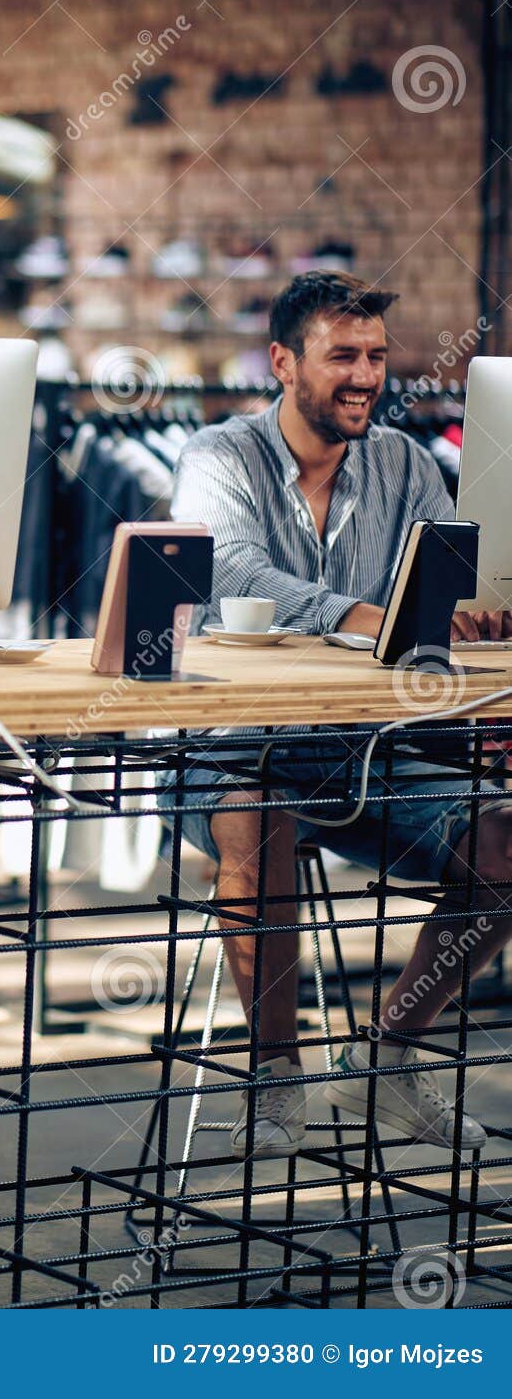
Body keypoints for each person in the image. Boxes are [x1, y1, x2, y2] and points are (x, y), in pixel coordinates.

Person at [167, 272, 512, 1159]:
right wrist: (368, 616)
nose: (365, 375)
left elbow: (449, 578)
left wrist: (471, 607)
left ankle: (388, 1061)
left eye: (377, 356)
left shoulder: (405, 464)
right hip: (230, 750)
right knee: (257, 820)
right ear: (284, 363)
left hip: (365, 753)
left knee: (509, 839)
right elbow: (227, 576)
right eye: (342, 356)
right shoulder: (218, 456)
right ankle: (279, 1076)